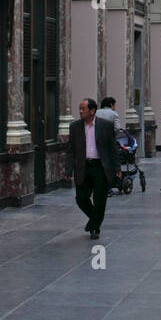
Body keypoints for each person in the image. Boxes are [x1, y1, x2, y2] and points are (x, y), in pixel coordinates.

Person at [68, 98, 120, 237]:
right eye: (80, 109)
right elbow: (71, 150)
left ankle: (94, 228)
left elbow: (112, 148)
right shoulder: (75, 127)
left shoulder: (105, 126)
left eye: (83, 109)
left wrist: (117, 168)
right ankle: (94, 220)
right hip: (83, 166)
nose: (80, 111)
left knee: (100, 199)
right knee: (81, 198)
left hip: (100, 167)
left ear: (92, 111)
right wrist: (68, 169)